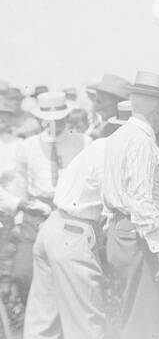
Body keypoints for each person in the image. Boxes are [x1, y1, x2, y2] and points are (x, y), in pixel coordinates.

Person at [100, 72, 159, 339]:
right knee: (143, 316)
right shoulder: (141, 143)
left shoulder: (120, 137)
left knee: (138, 311)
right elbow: (141, 201)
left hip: (127, 231)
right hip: (142, 237)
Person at [19, 120, 112, 339]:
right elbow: (118, 201)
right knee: (86, 320)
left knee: (42, 316)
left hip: (53, 226)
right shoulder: (109, 154)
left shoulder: (91, 147)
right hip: (74, 231)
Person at [1, 92, 92, 298]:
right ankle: (32, 320)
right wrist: (19, 213)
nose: (53, 125)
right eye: (47, 121)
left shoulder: (84, 142)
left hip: (71, 215)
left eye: (59, 120)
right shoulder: (27, 146)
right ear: (40, 119)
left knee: (70, 278)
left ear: (67, 117)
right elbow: (20, 182)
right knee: (23, 273)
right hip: (35, 214)